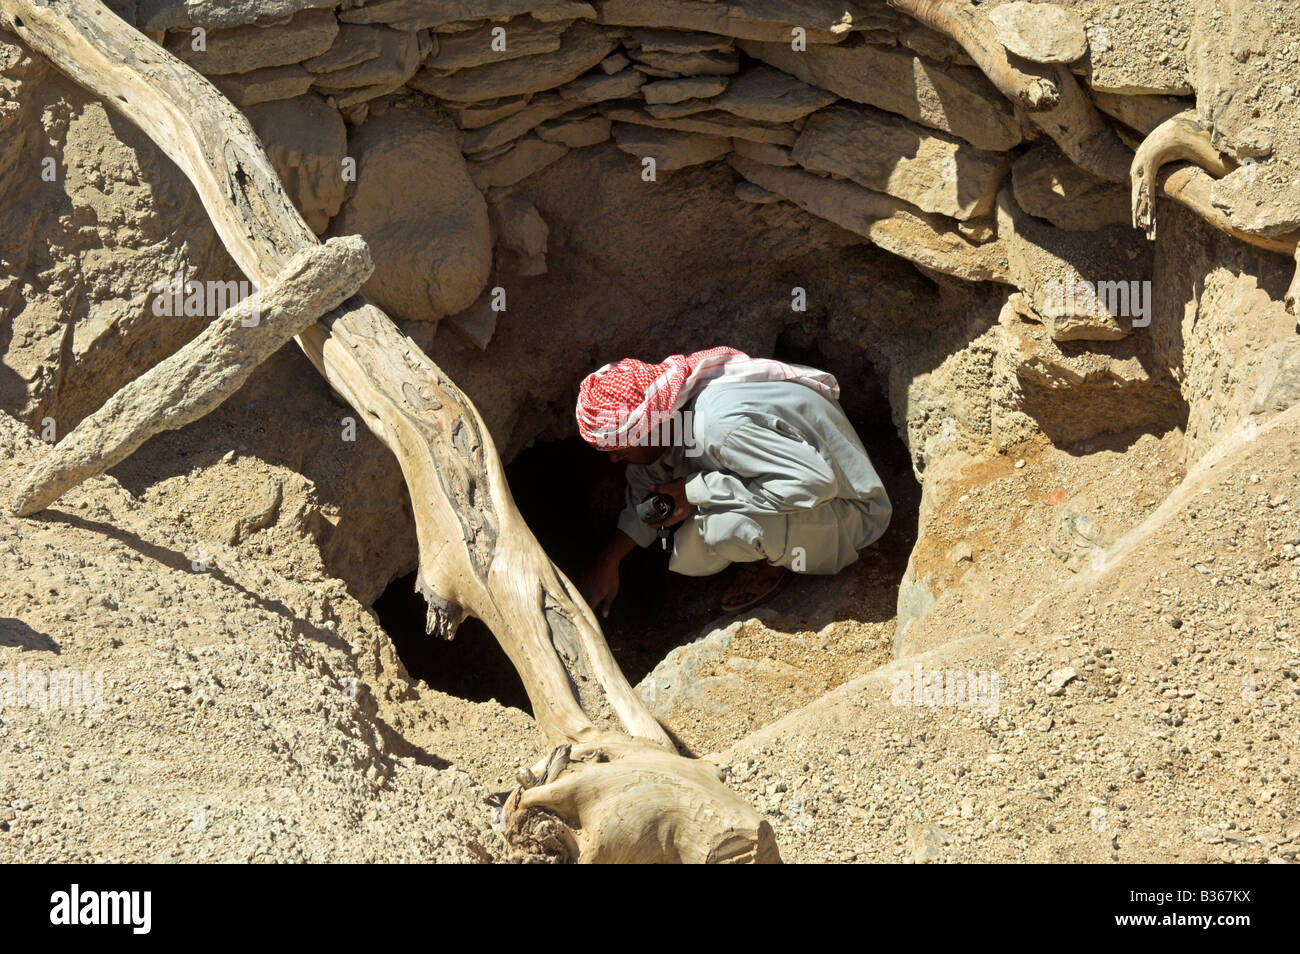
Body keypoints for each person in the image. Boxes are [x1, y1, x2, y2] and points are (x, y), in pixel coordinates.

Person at [576, 346, 892, 616]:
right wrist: (609, 561)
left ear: (650, 427)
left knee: (721, 529)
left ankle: (776, 561)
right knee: (692, 519)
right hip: (816, 489)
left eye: (620, 449)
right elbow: (647, 483)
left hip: (854, 511)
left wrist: (695, 491)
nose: (613, 459)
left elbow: (814, 484)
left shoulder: (718, 427)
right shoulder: (674, 415)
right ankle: (776, 542)